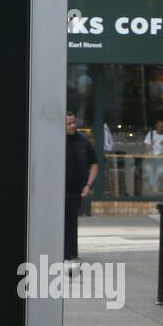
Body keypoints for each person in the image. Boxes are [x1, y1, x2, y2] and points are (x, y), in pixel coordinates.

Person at [65, 111, 98, 267]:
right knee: (62, 221)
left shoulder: (83, 141)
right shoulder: (56, 141)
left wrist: (88, 185)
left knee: (71, 220)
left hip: (76, 189)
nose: (72, 126)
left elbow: (94, 164)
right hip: (58, 190)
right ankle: (64, 253)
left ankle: (71, 252)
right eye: (68, 123)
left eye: (73, 122)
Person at [144, 119, 163, 195]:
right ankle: (154, 186)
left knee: (160, 170)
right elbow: (146, 148)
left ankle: (152, 185)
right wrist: (151, 145)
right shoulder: (151, 134)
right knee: (148, 168)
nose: (160, 128)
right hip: (151, 158)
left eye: (162, 126)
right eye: (159, 126)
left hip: (162, 159)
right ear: (156, 126)